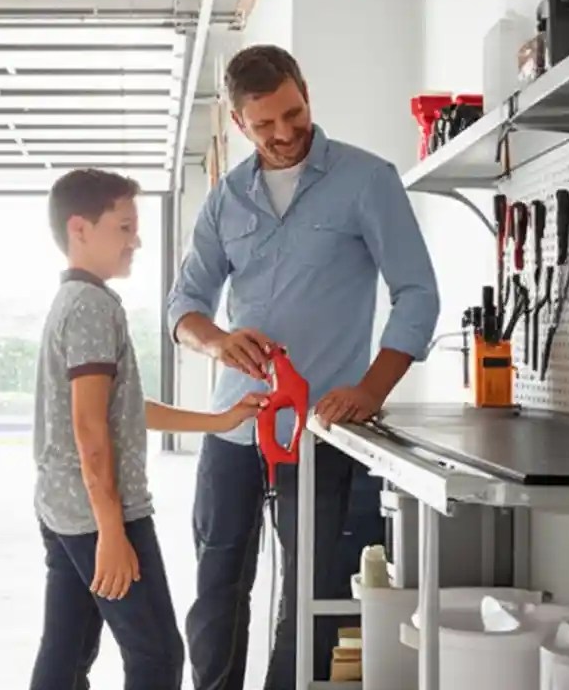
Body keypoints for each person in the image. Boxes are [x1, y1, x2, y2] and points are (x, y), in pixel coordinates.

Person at [166, 45, 440, 688]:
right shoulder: (225, 199)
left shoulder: (367, 180)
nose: (285, 133)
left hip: (319, 434)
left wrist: (372, 390)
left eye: (293, 113)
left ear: (305, 92)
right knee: (217, 584)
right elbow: (185, 304)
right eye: (265, 125)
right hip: (235, 426)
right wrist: (216, 342)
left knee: (310, 592)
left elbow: (418, 291)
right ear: (239, 123)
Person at [30, 167, 269, 690]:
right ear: (80, 230)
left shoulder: (74, 300)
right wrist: (113, 532)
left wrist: (220, 420)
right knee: (157, 654)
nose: (136, 240)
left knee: (66, 652)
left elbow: (125, 409)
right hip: (99, 514)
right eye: (123, 227)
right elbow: (91, 432)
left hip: (65, 508)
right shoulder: (92, 308)